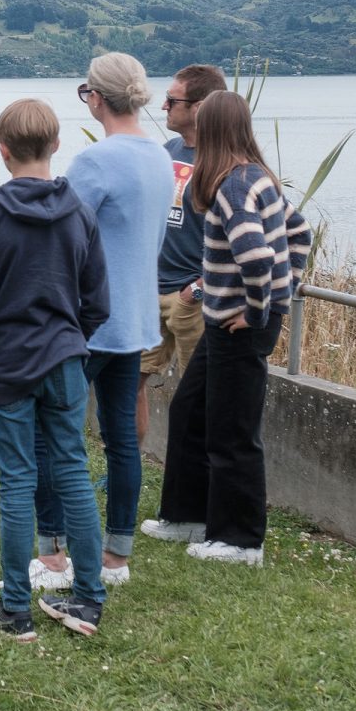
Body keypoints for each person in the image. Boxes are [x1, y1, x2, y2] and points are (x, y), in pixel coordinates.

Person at [0, 99, 110, 640]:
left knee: (17, 483)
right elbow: (97, 302)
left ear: (2, 151)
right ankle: (89, 598)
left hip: (8, 365)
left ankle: (16, 611)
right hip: (66, 360)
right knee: (72, 473)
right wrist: (70, 340)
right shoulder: (80, 214)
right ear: (57, 145)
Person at [144, 90, 313, 565]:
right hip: (230, 321)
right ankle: (187, 514)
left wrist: (260, 309)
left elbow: (257, 256)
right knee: (190, 410)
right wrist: (284, 291)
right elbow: (300, 233)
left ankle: (239, 541)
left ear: (213, 128)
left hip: (239, 325)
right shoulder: (256, 177)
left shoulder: (235, 185)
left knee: (232, 430)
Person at [32, 52, 174, 590]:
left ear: (96, 97)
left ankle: (52, 556)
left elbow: (56, 229)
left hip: (88, 323)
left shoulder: (98, 161)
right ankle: (117, 555)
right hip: (135, 320)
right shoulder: (160, 157)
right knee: (121, 439)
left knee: (53, 433)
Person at [138, 64, 228, 438]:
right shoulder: (169, 150)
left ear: (200, 106)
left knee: (200, 398)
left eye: (172, 100)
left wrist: (196, 291)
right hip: (154, 290)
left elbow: (238, 242)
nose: (163, 107)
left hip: (191, 298)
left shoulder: (224, 163)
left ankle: (197, 481)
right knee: (129, 382)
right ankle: (126, 466)